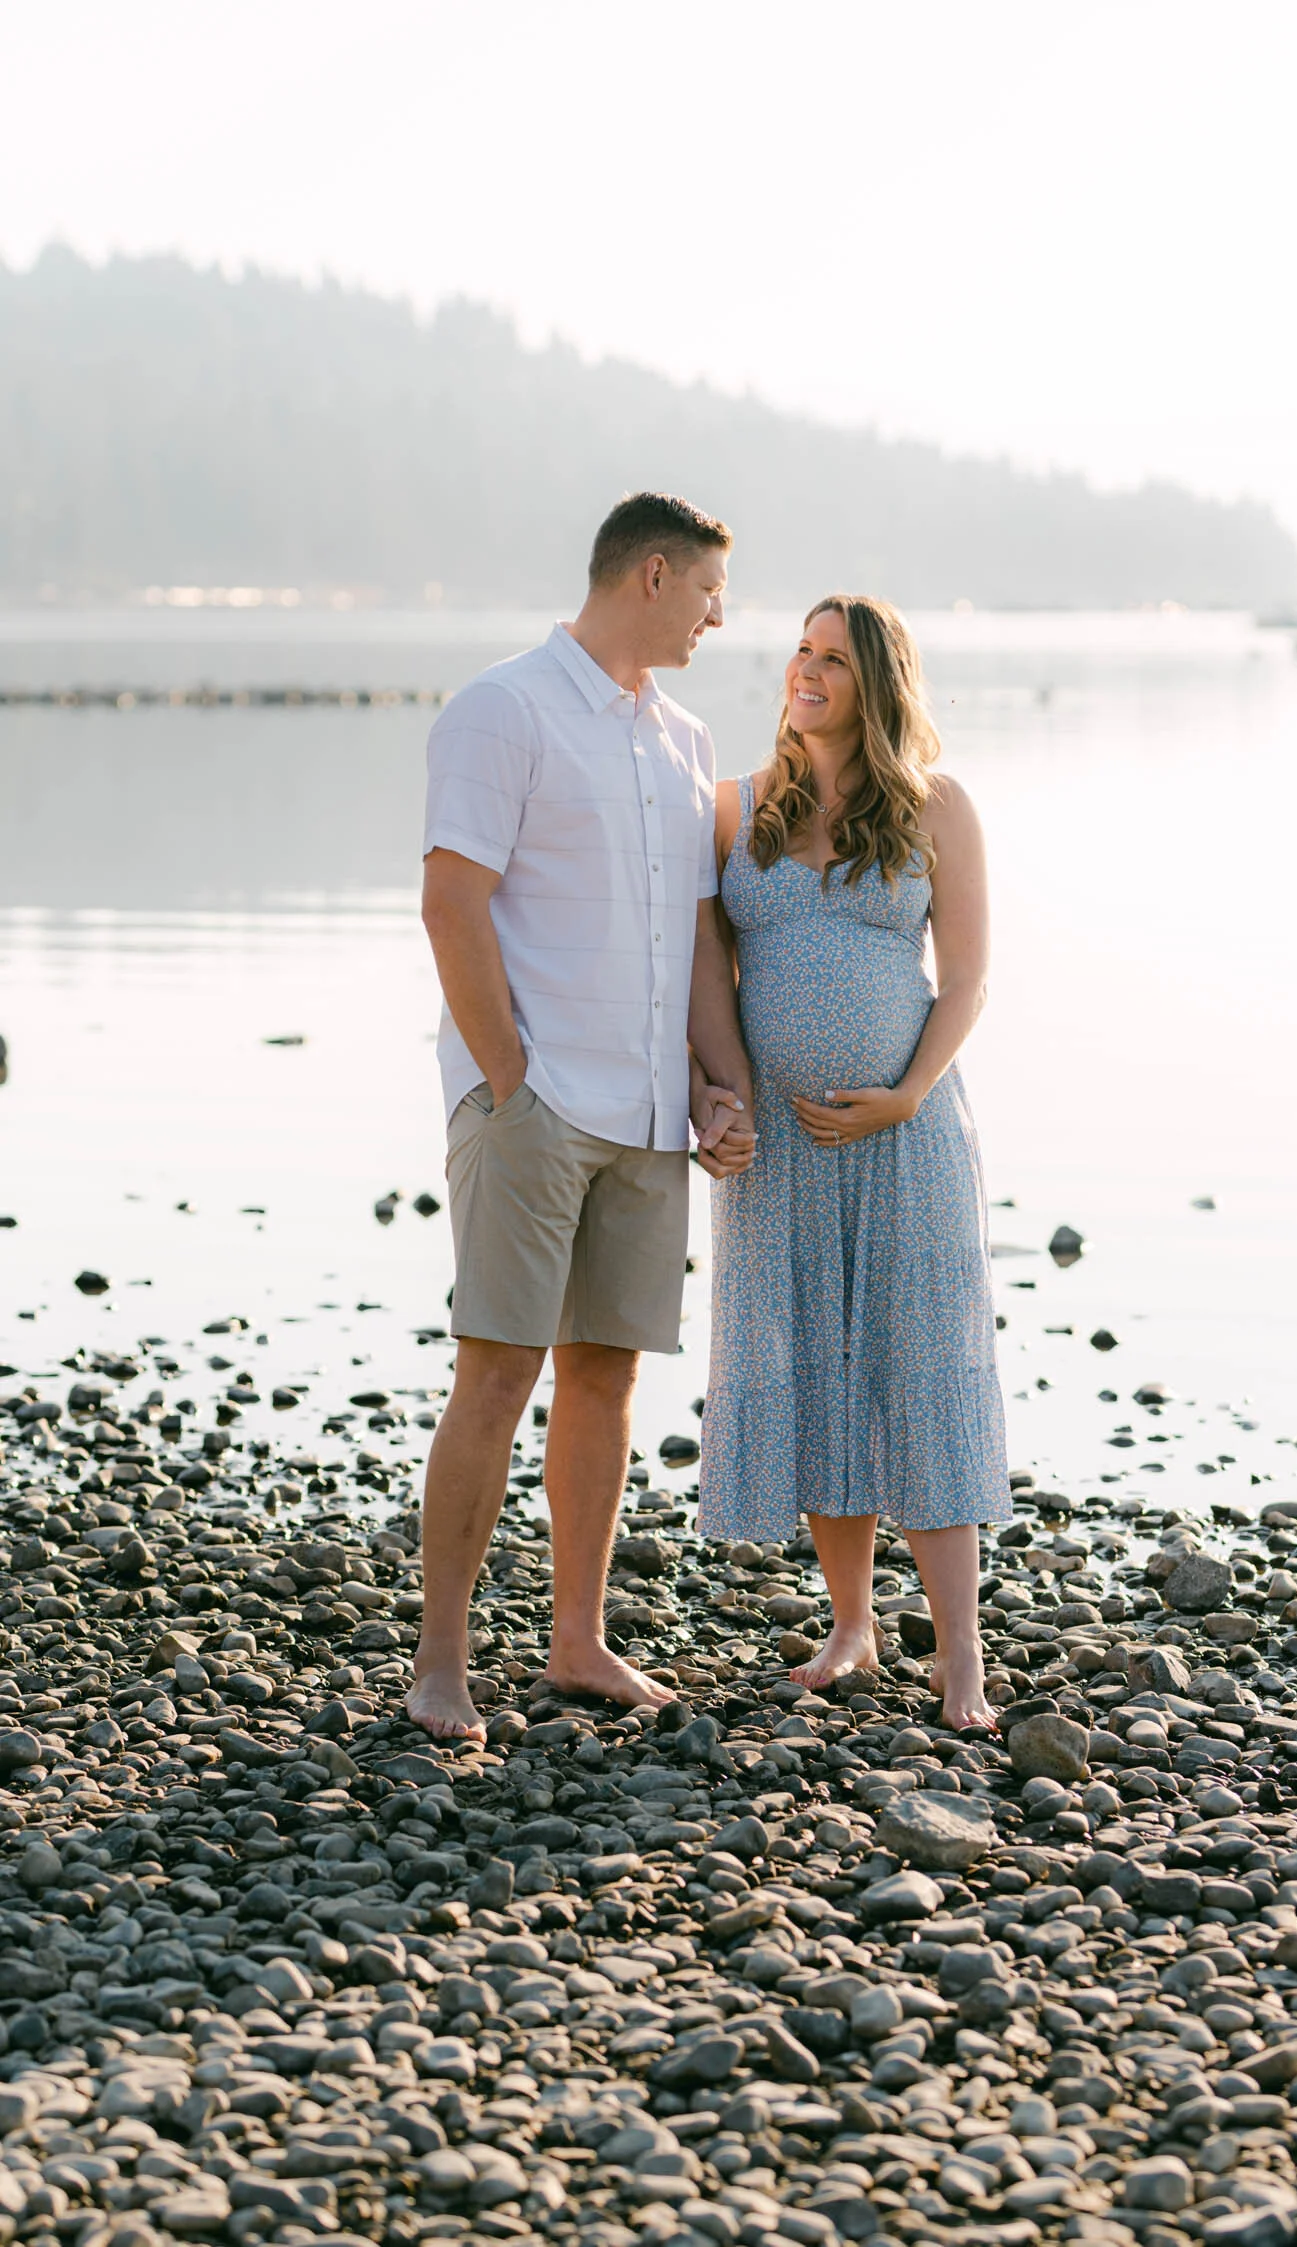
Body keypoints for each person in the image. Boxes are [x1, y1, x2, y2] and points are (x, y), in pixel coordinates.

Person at [411, 492, 755, 1741]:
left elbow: (700, 943)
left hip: (649, 1112)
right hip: (537, 1104)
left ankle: (576, 1642)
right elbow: (454, 906)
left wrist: (721, 1087)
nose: (723, 615)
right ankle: (441, 1662)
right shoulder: (502, 710)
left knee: (604, 1380)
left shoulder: (685, 739)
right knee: (495, 1373)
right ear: (654, 575)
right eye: (713, 590)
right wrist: (510, 1079)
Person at [699, 594, 1009, 1730]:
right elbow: (705, 981)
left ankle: (961, 1656)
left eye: (833, 659)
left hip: (908, 1137)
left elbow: (968, 975)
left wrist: (906, 1094)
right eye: (801, 652)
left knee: (919, 1368)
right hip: (780, 1149)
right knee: (819, 1369)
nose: (807, 672)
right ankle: (851, 1626)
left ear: (879, 683)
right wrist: (721, 1098)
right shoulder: (734, 811)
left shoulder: (937, 806)